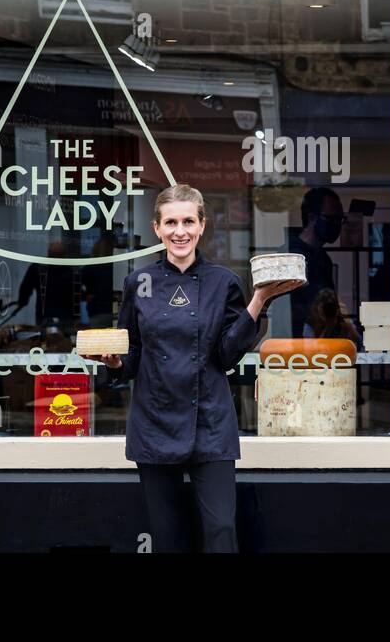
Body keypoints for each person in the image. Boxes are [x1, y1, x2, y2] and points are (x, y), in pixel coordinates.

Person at [86, 183, 300, 552]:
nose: (179, 231)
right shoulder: (139, 282)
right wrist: (117, 361)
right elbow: (132, 352)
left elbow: (228, 355)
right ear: (157, 228)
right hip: (154, 422)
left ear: (202, 226)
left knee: (220, 530)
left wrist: (259, 299)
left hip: (211, 425)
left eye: (188, 221)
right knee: (167, 537)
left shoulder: (224, 282)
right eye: (170, 222)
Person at [289, 187, 344, 337]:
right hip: (298, 346)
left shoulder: (323, 258)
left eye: (340, 219)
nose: (336, 224)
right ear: (312, 218)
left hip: (321, 343)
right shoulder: (292, 256)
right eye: (331, 218)